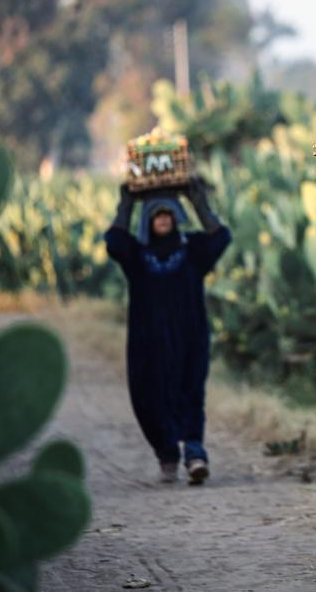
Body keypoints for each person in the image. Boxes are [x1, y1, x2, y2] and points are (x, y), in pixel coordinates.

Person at [105, 177, 232, 485]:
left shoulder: (192, 251)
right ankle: (166, 453)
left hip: (189, 336)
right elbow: (114, 242)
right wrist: (127, 204)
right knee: (148, 397)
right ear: (148, 221)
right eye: (156, 215)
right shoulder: (137, 255)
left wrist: (197, 200)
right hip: (146, 342)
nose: (162, 219)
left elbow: (220, 237)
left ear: (176, 216)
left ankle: (193, 452)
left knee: (190, 391)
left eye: (168, 213)